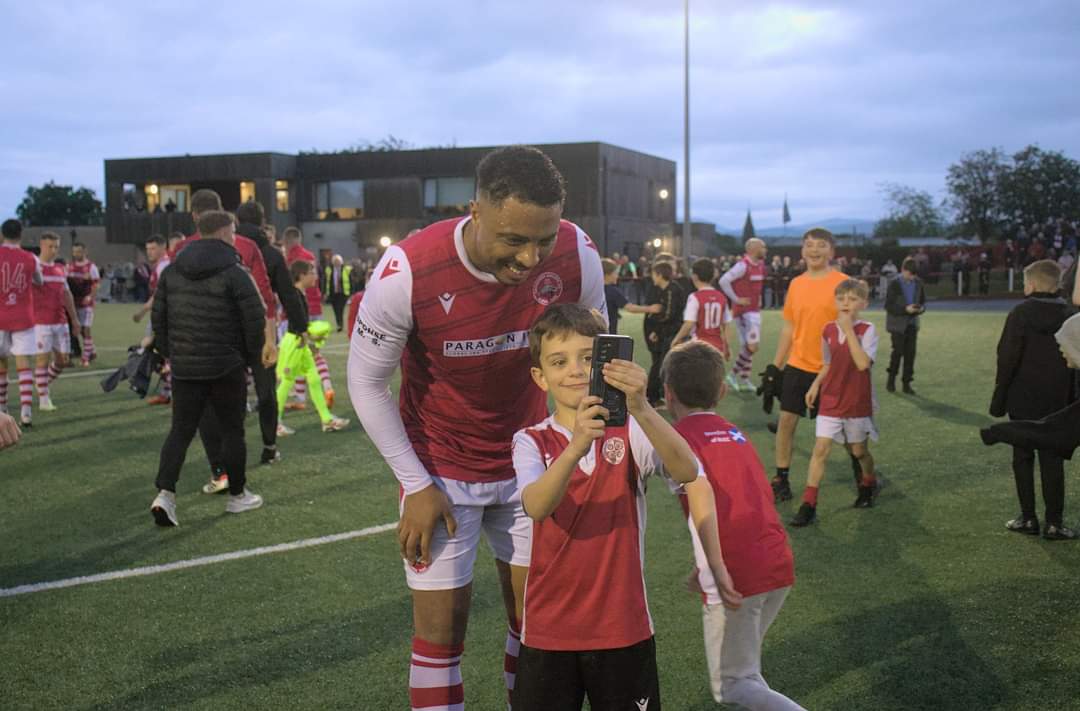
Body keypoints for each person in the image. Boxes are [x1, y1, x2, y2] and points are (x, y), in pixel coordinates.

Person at [346, 145, 605, 709]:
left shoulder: (578, 253)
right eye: (513, 240)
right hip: (441, 470)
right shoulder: (405, 272)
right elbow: (366, 385)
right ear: (475, 211)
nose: (532, 257)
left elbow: (598, 350)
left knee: (538, 628)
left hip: (531, 464)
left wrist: (595, 454)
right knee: (440, 638)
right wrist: (415, 484)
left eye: (544, 238)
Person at [510, 304, 700, 711]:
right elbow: (537, 506)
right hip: (549, 630)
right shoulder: (531, 440)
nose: (576, 370)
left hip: (622, 627)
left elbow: (687, 469)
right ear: (540, 377)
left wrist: (643, 407)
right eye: (559, 361)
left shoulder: (632, 429)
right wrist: (577, 442)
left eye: (587, 357)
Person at [662, 340, 803, 710]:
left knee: (733, 686)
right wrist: (703, 561)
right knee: (747, 673)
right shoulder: (735, 433)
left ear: (667, 393)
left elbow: (706, 496)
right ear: (722, 391)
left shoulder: (677, 442)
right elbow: (745, 501)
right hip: (777, 561)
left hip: (738, 574)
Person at [149, 210, 266, 527]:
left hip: (186, 366)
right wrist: (247, 355)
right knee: (232, 431)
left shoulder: (173, 271)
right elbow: (255, 318)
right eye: (232, 230)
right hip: (226, 365)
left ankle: (165, 494)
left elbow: (158, 318)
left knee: (180, 431)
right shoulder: (234, 271)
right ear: (225, 231)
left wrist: (171, 352)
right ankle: (238, 495)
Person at [172, 190, 277, 493]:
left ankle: (219, 472)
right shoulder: (246, 246)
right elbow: (264, 298)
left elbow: (171, 297)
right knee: (241, 409)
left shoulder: (180, 249)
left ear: (194, 216)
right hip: (240, 338)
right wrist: (268, 340)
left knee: (205, 411)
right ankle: (254, 464)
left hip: (195, 342)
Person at [760, 229, 849, 503]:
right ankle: (782, 478)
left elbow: (848, 330)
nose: (814, 250)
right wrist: (776, 367)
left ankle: (864, 473)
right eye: (809, 245)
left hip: (831, 368)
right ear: (802, 251)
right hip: (798, 365)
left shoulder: (844, 283)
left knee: (845, 429)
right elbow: (789, 327)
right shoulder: (796, 284)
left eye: (821, 246)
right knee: (786, 421)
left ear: (832, 251)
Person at [988, 260, 1075, 540]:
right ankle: (1054, 522)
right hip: (1059, 398)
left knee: (1022, 456)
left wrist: (999, 398)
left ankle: (1028, 518)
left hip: (1022, 396)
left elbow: (1007, 357)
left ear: (1032, 285)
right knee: (1052, 459)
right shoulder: (1070, 314)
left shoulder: (1020, 313)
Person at [791, 279, 880, 526]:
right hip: (830, 398)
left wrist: (849, 330)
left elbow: (863, 364)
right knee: (820, 449)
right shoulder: (827, 329)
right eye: (841, 299)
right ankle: (809, 504)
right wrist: (816, 384)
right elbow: (828, 364)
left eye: (852, 299)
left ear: (864, 303)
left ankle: (869, 482)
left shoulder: (867, 330)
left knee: (859, 451)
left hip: (856, 400)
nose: (846, 303)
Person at [234, 200, 309, 463]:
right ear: (262, 221)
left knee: (231, 390)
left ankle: (229, 450)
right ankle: (268, 446)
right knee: (266, 391)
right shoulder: (272, 254)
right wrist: (300, 327)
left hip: (228, 330)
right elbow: (289, 294)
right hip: (262, 330)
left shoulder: (227, 248)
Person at [277, 263, 349, 434]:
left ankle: (327, 419)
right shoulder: (294, 295)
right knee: (286, 383)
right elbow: (297, 323)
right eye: (312, 272)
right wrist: (310, 339)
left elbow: (301, 323)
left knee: (315, 380)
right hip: (295, 343)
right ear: (301, 275)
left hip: (301, 343)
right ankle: (274, 423)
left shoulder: (299, 294)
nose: (315, 276)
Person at [31, 232, 80, 412]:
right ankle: (44, 398)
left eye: (56, 247)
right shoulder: (34, 267)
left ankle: (41, 383)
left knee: (62, 361)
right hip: (40, 322)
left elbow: (67, 295)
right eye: (49, 246)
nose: (53, 250)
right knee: (42, 360)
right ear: (41, 246)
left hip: (60, 321)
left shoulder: (60, 268)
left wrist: (74, 319)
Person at [284, 226, 333, 409]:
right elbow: (316, 280)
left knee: (295, 357)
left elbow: (286, 286)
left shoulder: (290, 258)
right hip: (315, 307)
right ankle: (323, 387)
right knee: (312, 353)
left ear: (289, 241)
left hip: (298, 309)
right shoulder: (309, 255)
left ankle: (300, 397)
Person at [0, 219, 42, 426]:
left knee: (1, 362)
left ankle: (2, 407)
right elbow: (39, 281)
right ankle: (26, 413)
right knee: (23, 363)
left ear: (2, 234)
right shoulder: (30, 258)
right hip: (23, 316)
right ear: (21, 235)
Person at [631, 260, 683, 406]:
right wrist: (654, 330)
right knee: (658, 363)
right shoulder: (661, 289)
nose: (652, 277)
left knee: (662, 364)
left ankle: (655, 396)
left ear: (659, 275)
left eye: (654, 274)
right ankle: (654, 397)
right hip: (661, 333)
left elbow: (668, 314)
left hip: (670, 334)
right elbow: (659, 313)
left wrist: (656, 328)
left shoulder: (672, 290)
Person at [719, 238, 768, 390]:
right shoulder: (742, 266)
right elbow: (723, 281)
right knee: (752, 346)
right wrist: (736, 299)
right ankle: (732, 375)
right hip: (745, 312)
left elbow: (756, 287)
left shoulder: (760, 265)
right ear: (753, 249)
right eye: (763, 247)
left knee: (746, 346)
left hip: (753, 310)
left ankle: (744, 379)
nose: (765, 250)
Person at [133, 235, 173, 404]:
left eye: (153, 248)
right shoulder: (161, 265)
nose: (149, 252)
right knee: (160, 355)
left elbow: (159, 294)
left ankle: (170, 392)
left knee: (154, 352)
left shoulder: (164, 266)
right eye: (147, 249)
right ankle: (166, 392)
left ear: (164, 248)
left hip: (163, 316)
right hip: (161, 314)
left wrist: (142, 311)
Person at [672, 257, 732, 359]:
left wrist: (676, 340)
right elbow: (726, 325)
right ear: (713, 276)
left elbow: (689, 323)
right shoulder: (721, 297)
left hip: (700, 347)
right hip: (717, 348)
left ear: (694, 276)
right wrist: (727, 346)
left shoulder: (694, 297)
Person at [883, 258, 926, 394]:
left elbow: (923, 301)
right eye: (909, 274)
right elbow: (888, 306)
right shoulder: (894, 284)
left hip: (912, 323)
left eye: (914, 275)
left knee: (910, 354)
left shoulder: (918, 282)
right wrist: (905, 310)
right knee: (897, 352)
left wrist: (921, 309)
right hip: (897, 325)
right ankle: (891, 380)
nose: (912, 277)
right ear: (903, 270)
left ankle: (907, 384)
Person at [67, 241, 100, 366]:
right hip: (74, 303)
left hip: (86, 303)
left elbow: (96, 284)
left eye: (79, 251)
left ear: (85, 252)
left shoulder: (91, 267)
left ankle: (85, 358)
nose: (76, 254)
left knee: (86, 329)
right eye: (74, 252)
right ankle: (92, 351)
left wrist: (90, 296)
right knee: (80, 330)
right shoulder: (69, 266)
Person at [323, 254, 353, 332]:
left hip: (343, 293)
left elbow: (351, 281)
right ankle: (339, 323)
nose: (337, 263)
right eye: (335, 261)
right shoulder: (329, 270)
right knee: (335, 310)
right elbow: (325, 281)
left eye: (338, 261)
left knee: (340, 309)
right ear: (333, 262)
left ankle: (340, 325)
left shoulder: (346, 269)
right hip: (333, 293)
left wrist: (351, 293)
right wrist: (325, 293)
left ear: (341, 262)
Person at [600, 257, 628, 334]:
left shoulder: (594, 289)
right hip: (610, 334)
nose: (617, 276)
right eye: (615, 273)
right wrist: (650, 309)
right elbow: (630, 307)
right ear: (607, 275)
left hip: (594, 334)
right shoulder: (613, 291)